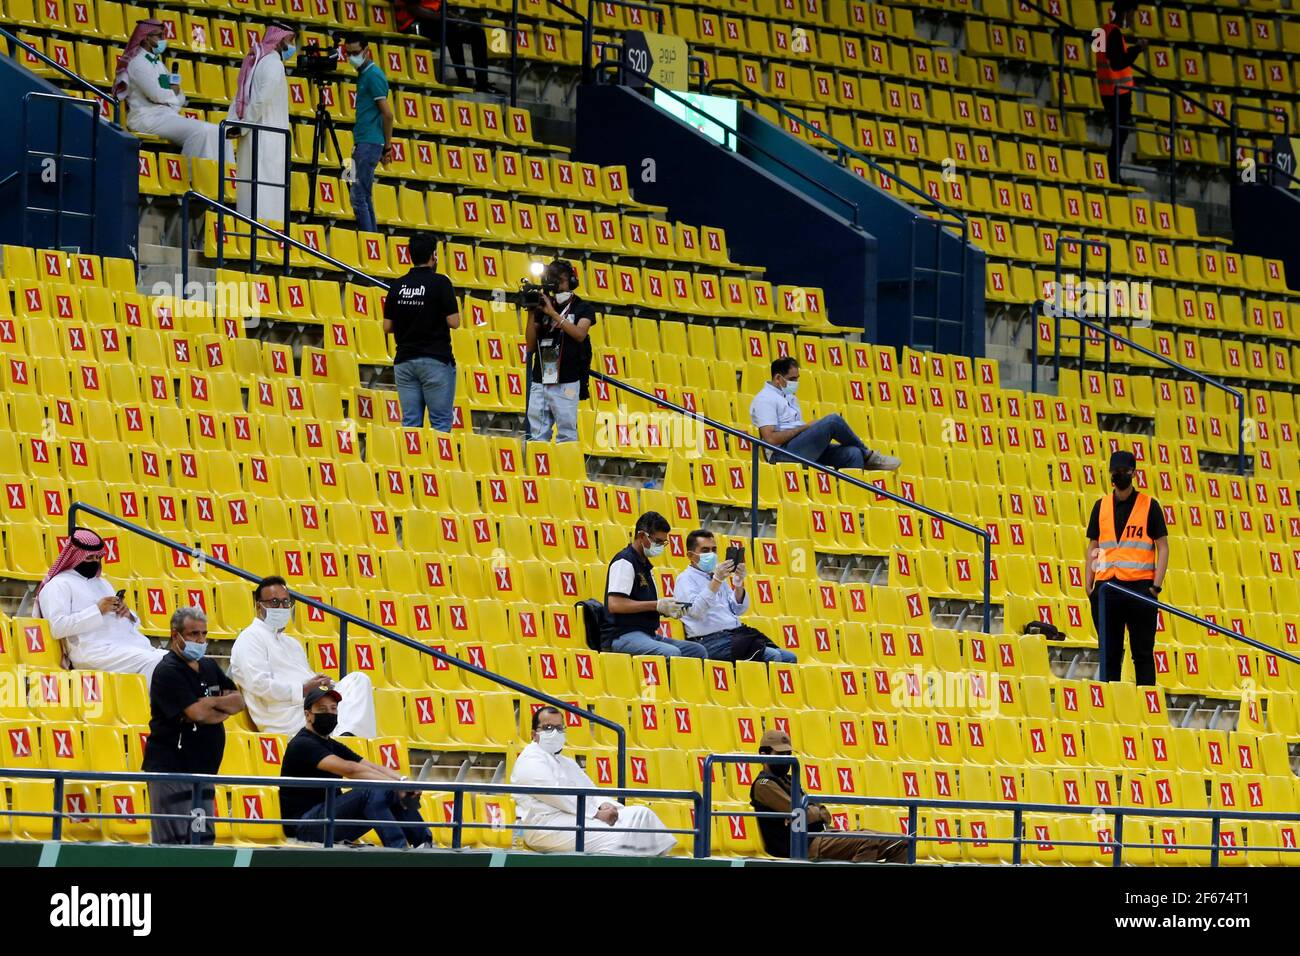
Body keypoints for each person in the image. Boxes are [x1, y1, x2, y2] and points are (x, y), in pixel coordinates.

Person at [141, 608, 245, 846]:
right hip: (171, 771)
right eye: (193, 634)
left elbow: (238, 702)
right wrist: (219, 708)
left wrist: (211, 703)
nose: (200, 640)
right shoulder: (168, 670)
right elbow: (196, 713)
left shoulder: (208, 667)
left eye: (204, 634)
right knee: (173, 845)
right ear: (175, 635)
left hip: (204, 772)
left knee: (201, 841)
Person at [510, 706, 675, 855]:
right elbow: (558, 796)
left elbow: (590, 789)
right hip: (545, 825)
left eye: (559, 728)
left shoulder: (565, 761)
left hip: (577, 816)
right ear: (533, 734)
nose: (555, 732)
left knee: (641, 814)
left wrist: (606, 806)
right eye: (548, 728)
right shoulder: (530, 759)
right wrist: (596, 813)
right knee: (620, 837)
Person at [281, 686, 431, 847]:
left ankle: (425, 845)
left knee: (393, 793)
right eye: (322, 709)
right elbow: (350, 769)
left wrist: (403, 781)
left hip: (329, 820)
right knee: (372, 790)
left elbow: (370, 766)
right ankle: (399, 850)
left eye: (333, 709)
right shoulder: (302, 744)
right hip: (305, 826)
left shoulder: (331, 744)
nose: (329, 714)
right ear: (308, 715)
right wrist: (394, 785)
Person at [229, 576, 377, 737]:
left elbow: (305, 678)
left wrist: (324, 684)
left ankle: (347, 739)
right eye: (274, 602)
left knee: (358, 680)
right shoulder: (250, 638)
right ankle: (345, 742)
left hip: (309, 703)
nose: (282, 607)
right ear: (259, 606)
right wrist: (304, 689)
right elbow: (259, 685)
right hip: (284, 715)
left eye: (286, 602)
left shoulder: (292, 643)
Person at [751, 729, 909, 863]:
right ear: (763, 754)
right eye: (780, 754)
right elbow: (800, 812)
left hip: (823, 834)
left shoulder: (790, 779)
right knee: (869, 840)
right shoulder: (764, 784)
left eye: (788, 753)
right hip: (805, 843)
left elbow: (823, 812)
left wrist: (813, 812)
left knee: (903, 842)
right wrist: (813, 812)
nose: (787, 759)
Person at [36, 528, 167, 686]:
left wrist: (126, 613)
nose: (95, 561)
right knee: (157, 662)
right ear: (75, 557)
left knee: (177, 661)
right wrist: (97, 610)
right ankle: (151, 708)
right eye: (90, 557)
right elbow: (57, 627)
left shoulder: (103, 583)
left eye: (98, 557)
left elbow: (121, 621)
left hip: (127, 646)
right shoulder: (58, 585)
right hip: (92, 652)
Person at [1085, 450, 1169, 685]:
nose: (1119, 475)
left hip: (1140, 589)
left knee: (1142, 654)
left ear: (1133, 473)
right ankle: (1111, 710)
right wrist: (1089, 581)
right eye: (1115, 471)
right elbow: (1094, 544)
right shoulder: (1100, 506)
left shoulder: (1149, 506)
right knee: (1109, 655)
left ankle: (1146, 709)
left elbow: (1163, 546)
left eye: (1124, 471)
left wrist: (1155, 587)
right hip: (1107, 588)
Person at [751, 357, 900, 472]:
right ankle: (868, 454)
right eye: (792, 379)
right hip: (781, 454)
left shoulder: (790, 397)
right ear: (778, 378)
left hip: (800, 448)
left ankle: (851, 505)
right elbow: (770, 439)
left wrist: (805, 430)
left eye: (797, 379)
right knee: (832, 421)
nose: (796, 383)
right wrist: (805, 428)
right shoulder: (765, 399)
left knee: (853, 453)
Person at [673, 530, 795, 663]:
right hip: (708, 640)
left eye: (714, 550)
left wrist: (738, 584)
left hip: (734, 635)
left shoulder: (717, 575)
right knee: (772, 656)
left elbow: (738, 609)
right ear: (691, 555)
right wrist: (717, 581)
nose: (712, 554)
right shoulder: (685, 579)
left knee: (789, 657)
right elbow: (695, 611)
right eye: (705, 550)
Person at [115, 19, 224, 160]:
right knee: (201, 131)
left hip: (167, 115)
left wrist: (171, 95)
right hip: (147, 118)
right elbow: (156, 95)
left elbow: (181, 97)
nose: (163, 40)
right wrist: (173, 93)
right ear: (147, 38)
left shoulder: (159, 64)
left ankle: (224, 176)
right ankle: (192, 176)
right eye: (159, 36)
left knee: (217, 131)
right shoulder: (137, 63)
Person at [384, 233, 461, 431]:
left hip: (405, 361)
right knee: (440, 425)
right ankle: (439, 463)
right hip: (435, 360)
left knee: (411, 425)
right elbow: (454, 322)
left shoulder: (397, 285)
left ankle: (412, 462)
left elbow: (387, 327)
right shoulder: (441, 282)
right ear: (433, 255)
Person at [603, 512, 705, 659]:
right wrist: (656, 605)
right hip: (622, 635)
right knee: (671, 653)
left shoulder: (645, 565)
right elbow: (615, 604)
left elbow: (646, 604)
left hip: (648, 634)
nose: (660, 547)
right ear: (642, 536)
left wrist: (669, 609)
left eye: (663, 543)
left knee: (697, 651)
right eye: (657, 541)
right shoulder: (624, 561)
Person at [226, 24, 295, 224]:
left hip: (253, 135)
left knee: (251, 190)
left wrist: (238, 126)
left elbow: (240, 94)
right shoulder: (273, 64)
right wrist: (245, 125)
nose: (292, 46)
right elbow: (259, 101)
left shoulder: (256, 60)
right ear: (281, 40)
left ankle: (251, 236)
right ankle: (265, 243)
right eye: (290, 41)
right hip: (267, 137)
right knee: (266, 193)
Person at [525, 258, 595, 444]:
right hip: (541, 378)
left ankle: (567, 471)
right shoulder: (543, 306)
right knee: (537, 436)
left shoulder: (583, 307)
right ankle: (541, 472)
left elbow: (580, 334)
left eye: (562, 280)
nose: (558, 285)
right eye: (554, 281)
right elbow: (530, 345)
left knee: (567, 435)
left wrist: (553, 314)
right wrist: (532, 312)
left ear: (572, 281)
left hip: (568, 381)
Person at [342, 34, 394, 235]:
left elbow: (387, 115)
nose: (352, 57)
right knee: (363, 194)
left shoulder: (373, 75)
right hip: (365, 142)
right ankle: (372, 240)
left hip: (368, 144)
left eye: (356, 53)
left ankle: (368, 240)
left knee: (357, 195)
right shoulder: (364, 74)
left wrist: (387, 146)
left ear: (367, 51)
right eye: (349, 54)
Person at [394, 0, 492, 92]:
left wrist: (457, 19)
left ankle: (482, 83)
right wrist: (442, 17)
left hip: (436, 20)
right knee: (450, 29)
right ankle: (463, 79)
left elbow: (443, 8)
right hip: (413, 23)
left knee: (477, 33)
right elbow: (413, 8)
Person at [1096, 0, 1144, 185]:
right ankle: (1114, 174)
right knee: (1121, 133)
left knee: (1120, 132)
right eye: (1131, 14)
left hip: (1107, 90)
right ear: (1125, 12)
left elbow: (1105, 57)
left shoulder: (1102, 31)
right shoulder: (1114, 33)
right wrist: (1137, 49)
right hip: (1118, 92)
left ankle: (1114, 174)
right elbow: (1117, 62)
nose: (1132, 19)